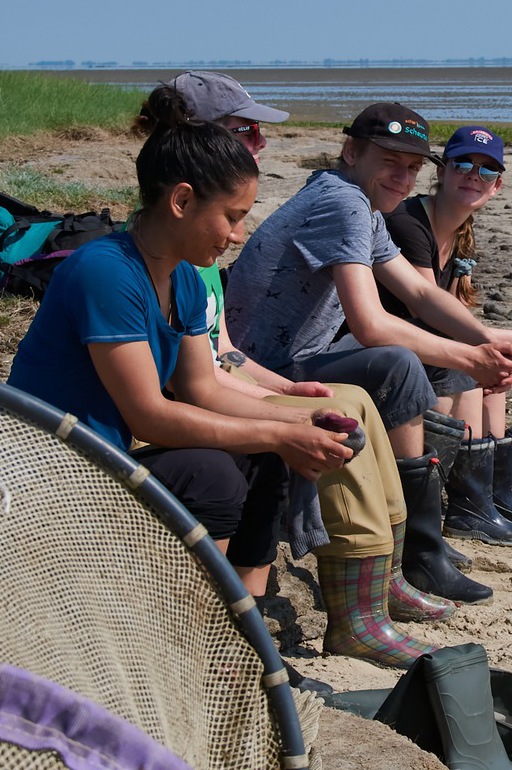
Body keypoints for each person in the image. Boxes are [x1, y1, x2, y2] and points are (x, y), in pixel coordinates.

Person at [7, 114, 427, 668]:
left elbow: (201, 385)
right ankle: (204, 631)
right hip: (51, 475)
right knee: (214, 472)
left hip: (104, 461)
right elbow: (151, 416)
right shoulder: (104, 273)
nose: (236, 235)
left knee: (268, 451)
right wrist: (278, 432)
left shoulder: (181, 276)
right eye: (231, 217)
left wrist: (292, 426)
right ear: (181, 201)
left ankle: (246, 614)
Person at [129, 72, 453, 666]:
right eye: (246, 132)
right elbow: (176, 393)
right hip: (95, 451)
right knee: (333, 412)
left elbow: (219, 355)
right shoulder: (149, 263)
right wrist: (281, 420)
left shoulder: (185, 261)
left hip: (242, 377)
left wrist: (285, 391)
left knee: (345, 402)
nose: (239, 235)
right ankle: (353, 610)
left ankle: (378, 582)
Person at [224, 103, 512, 605]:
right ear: (350, 151)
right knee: (401, 363)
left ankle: (427, 541)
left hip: (302, 351)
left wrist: (489, 341)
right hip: (268, 367)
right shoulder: (342, 202)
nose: (403, 177)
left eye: (411, 167)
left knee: (428, 360)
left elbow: (422, 295)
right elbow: (370, 324)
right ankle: (415, 555)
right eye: (390, 161)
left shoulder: (361, 204)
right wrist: (471, 358)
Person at [382, 125, 512, 536]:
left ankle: (492, 493)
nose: (473, 175)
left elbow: (456, 316)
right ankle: (469, 504)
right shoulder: (408, 222)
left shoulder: (461, 230)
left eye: (486, 171)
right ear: (442, 172)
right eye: (463, 164)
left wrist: (502, 349)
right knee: (467, 371)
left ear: (497, 186)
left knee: (492, 363)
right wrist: (509, 340)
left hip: (415, 345)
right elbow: (425, 308)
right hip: (389, 348)